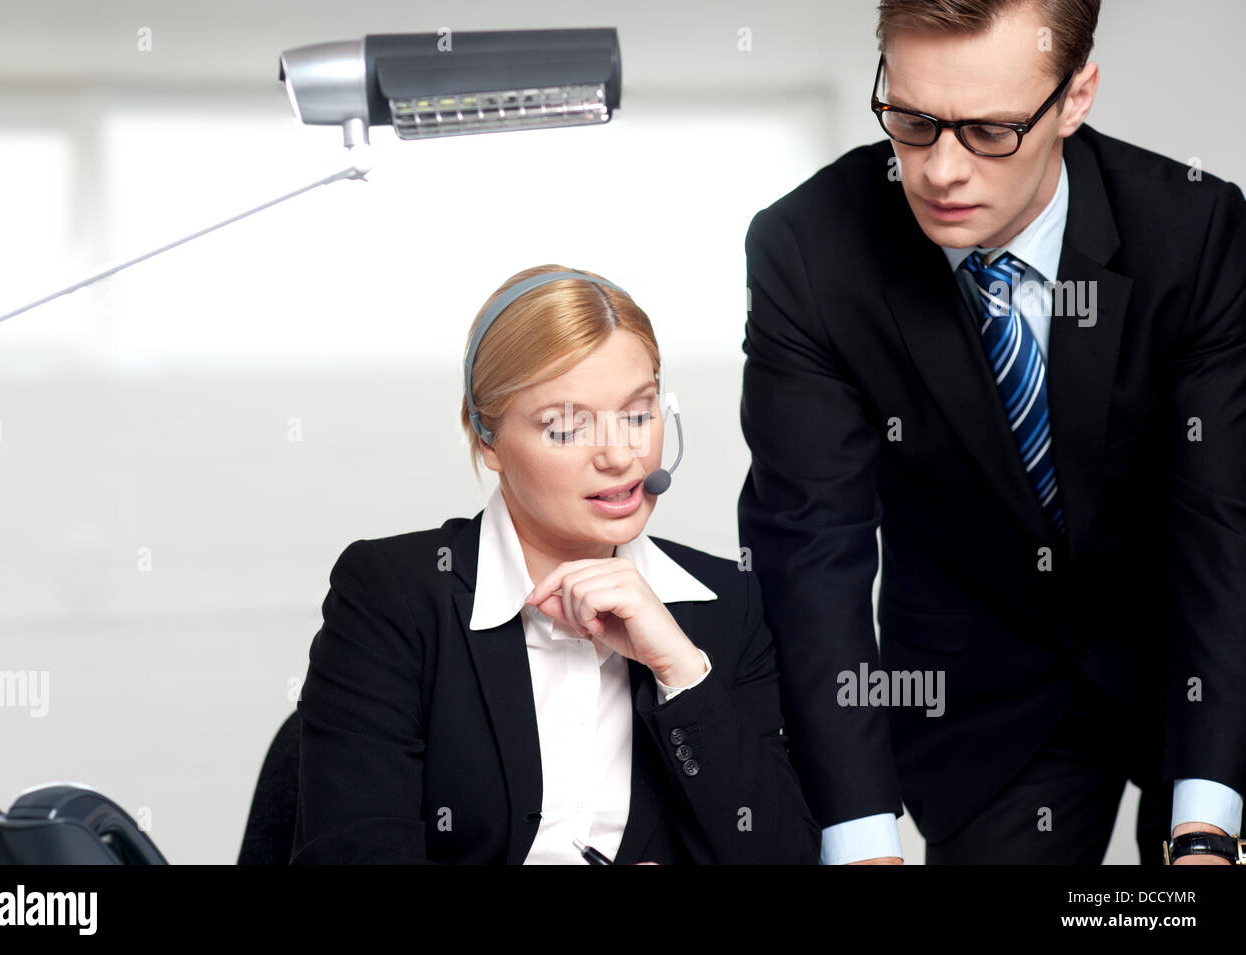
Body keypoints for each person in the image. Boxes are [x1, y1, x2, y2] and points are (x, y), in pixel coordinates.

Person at [739, 0, 1245, 864]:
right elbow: (811, 554)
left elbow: (1224, 524)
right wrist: (860, 837)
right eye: (912, 120)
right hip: (985, 698)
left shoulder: (1194, 231)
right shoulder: (808, 250)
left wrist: (1206, 824)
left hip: (1202, 656)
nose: (939, 170)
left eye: (989, 132)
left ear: (1075, 96)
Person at [291, 264, 820, 864]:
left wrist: (681, 674)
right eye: (567, 428)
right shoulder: (395, 594)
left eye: (639, 415)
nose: (620, 456)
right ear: (488, 439)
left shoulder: (726, 602)